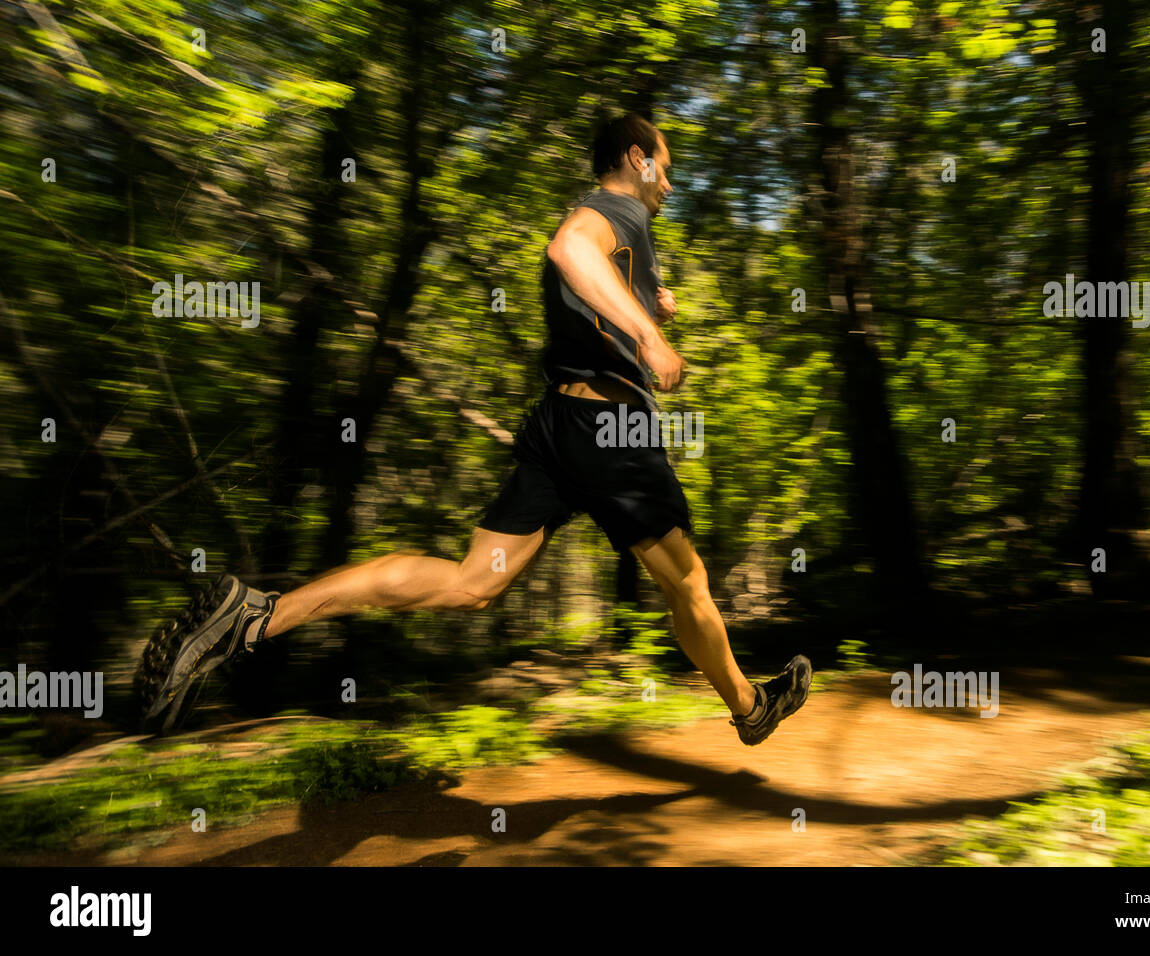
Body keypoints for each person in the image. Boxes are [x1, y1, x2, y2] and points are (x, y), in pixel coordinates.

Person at [137, 113, 811, 743]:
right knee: (687, 583)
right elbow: (570, 249)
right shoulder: (617, 210)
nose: (668, 184)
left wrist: (647, 313)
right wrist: (649, 334)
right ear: (636, 160)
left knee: (472, 584)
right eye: (663, 167)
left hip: (561, 427)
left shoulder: (626, 234)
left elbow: (589, 301)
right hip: (610, 432)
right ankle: (751, 710)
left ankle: (257, 618)